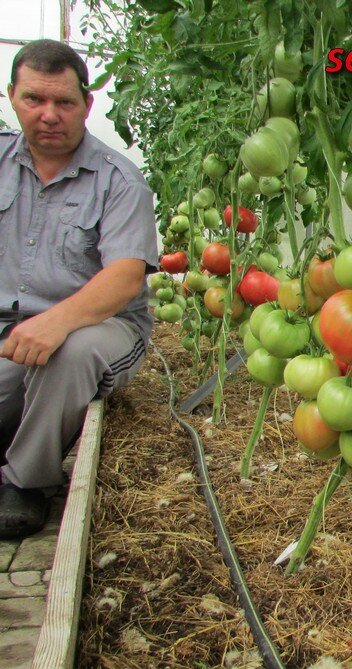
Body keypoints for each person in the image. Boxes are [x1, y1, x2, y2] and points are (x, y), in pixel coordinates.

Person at [0, 39, 158, 538]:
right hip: (14, 327)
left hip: (103, 325)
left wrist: (57, 321)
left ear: (86, 105)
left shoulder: (119, 182)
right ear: (11, 97)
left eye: (64, 102)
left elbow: (126, 275)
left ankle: (28, 481)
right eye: (34, 100)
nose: (49, 115)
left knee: (68, 354)